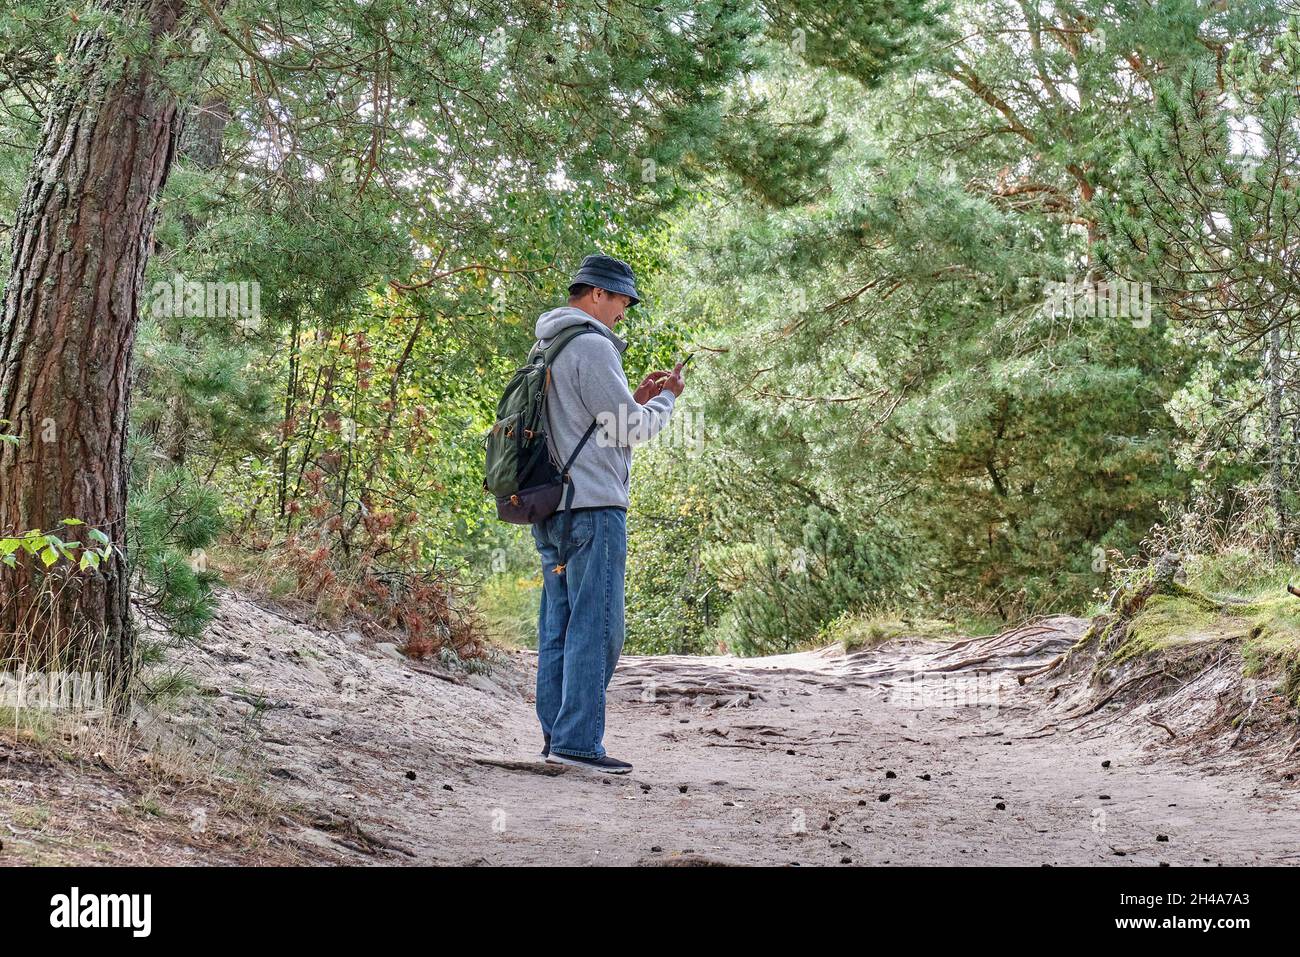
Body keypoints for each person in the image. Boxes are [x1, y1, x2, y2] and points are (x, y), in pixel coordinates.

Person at [531, 254, 686, 774]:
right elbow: (631, 430)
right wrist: (664, 400)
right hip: (594, 508)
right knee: (598, 627)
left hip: (551, 508)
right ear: (596, 294)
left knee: (560, 624)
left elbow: (586, 422)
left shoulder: (547, 344)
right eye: (622, 298)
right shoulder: (593, 346)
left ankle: (558, 737)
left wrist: (635, 396)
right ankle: (578, 744)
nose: (625, 309)